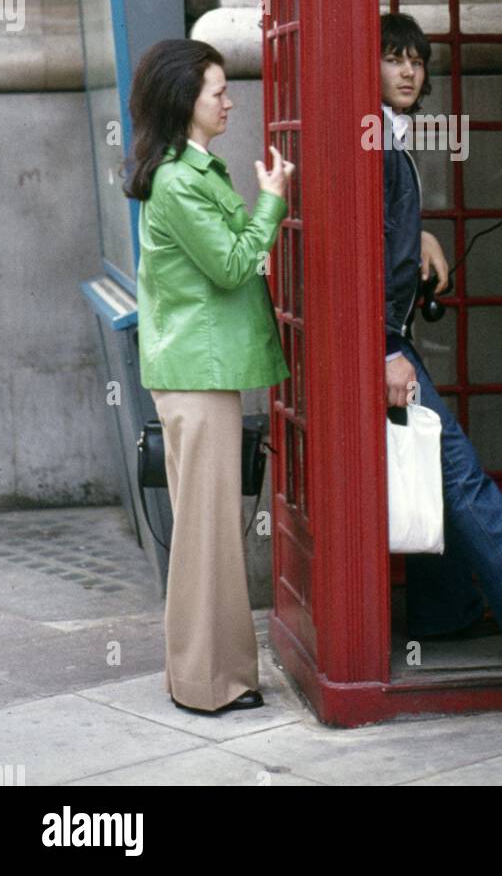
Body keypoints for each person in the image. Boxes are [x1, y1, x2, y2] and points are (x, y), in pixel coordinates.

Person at [381, 12, 502, 665]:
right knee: (459, 473)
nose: (408, 71)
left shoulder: (390, 136)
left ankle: (443, 609)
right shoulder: (374, 140)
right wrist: (383, 349)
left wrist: (421, 237)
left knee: (434, 468)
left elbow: (383, 230)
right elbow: (352, 249)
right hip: (383, 346)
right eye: (392, 58)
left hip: (390, 337)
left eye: (416, 59)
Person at [123, 38, 294, 715]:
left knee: (207, 528)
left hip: (202, 370)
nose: (229, 100)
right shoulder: (178, 182)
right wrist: (273, 200)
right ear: (182, 101)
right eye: (217, 91)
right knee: (207, 531)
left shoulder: (192, 170)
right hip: (196, 374)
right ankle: (209, 684)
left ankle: (202, 675)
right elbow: (232, 265)